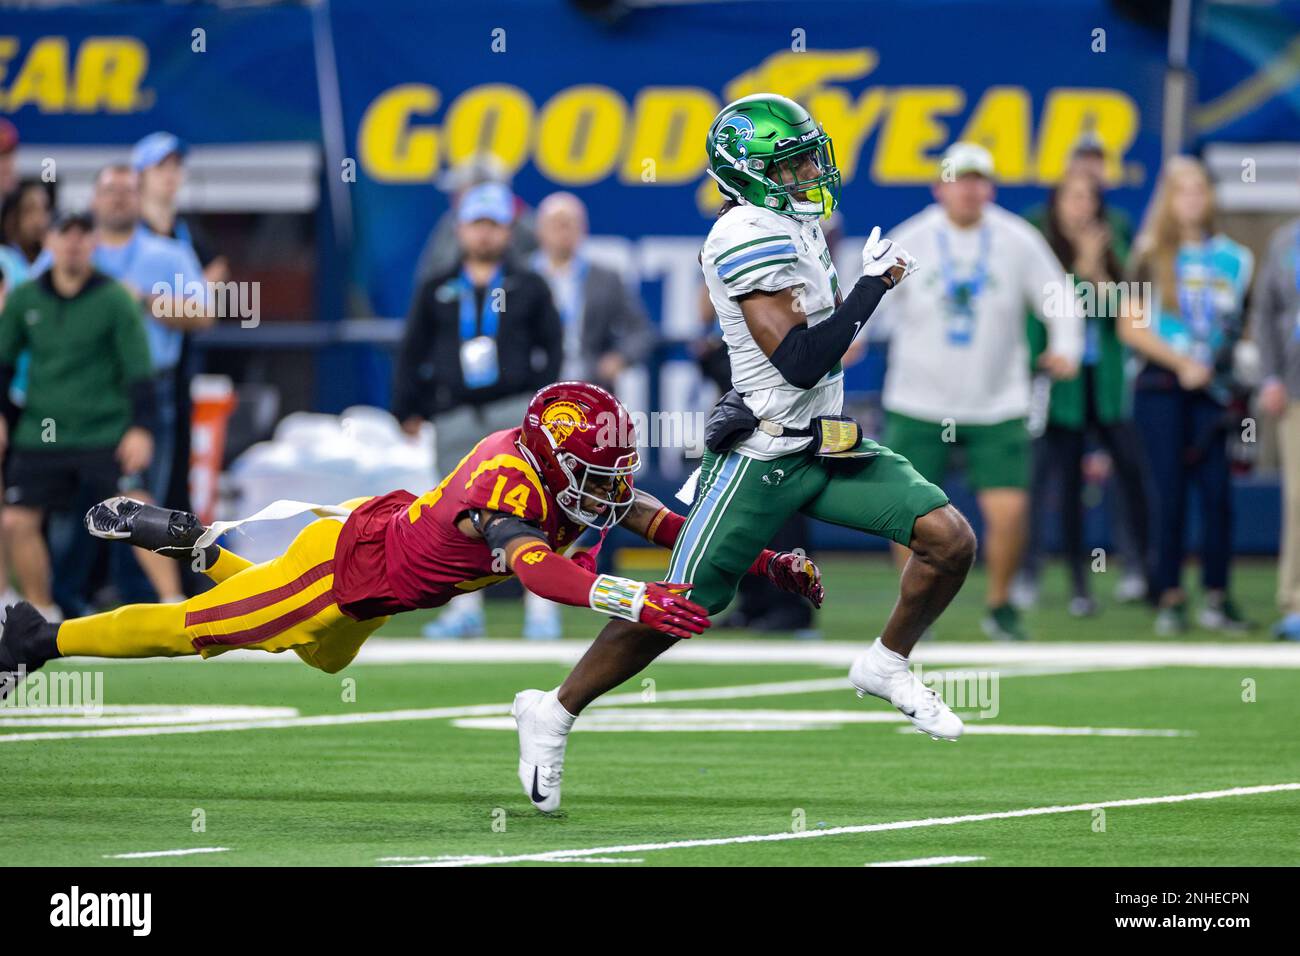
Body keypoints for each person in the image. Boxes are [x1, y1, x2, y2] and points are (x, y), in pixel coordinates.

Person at [512, 94, 978, 813]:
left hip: (826, 442)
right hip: (763, 455)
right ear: (748, 172)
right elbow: (797, 358)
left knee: (948, 539)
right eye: (790, 164)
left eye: (807, 157)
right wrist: (873, 286)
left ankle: (886, 663)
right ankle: (557, 708)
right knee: (682, 605)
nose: (807, 173)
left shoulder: (794, 221)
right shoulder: (742, 233)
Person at [0, 383, 823, 711]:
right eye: (594, 474)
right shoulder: (503, 488)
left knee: (323, 663)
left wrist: (765, 561)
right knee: (199, 632)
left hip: (379, 571)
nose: (609, 491)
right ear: (550, 459)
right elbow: (538, 569)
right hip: (343, 567)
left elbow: (668, 523)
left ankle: (201, 545)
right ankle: (37, 638)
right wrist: (632, 598)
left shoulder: (560, 470)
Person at [879, 142, 1082, 641]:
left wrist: (1067, 346)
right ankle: (912, 607)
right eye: (959, 179)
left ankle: (1001, 602)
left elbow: (1059, 297)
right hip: (918, 399)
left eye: (978, 180)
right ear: (939, 186)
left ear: (990, 187)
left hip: (997, 401)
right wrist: (849, 339)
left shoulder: (1017, 238)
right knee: (907, 517)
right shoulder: (911, 239)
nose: (969, 190)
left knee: (1009, 510)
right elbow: (871, 298)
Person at [393, 181, 563, 638]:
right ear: (461, 229)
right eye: (476, 225)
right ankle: (463, 607)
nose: (485, 235)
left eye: (493, 225)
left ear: (508, 231)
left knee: (530, 503)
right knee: (453, 511)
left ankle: (541, 604)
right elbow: (413, 349)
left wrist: (545, 405)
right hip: (454, 411)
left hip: (512, 408)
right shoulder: (437, 286)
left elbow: (554, 347)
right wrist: (408, 407)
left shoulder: (529, 284)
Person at [0, 212, 156, 622]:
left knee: (138, 511)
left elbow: (139, 369)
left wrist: (141, 428)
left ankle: (178, 603)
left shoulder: (114, 299)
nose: (73, 243)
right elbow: (2, 363)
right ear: (49, 241)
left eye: (82, 235)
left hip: (104, 431)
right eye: (63, 234)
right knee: (16, 520)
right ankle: (43, 615)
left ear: (93, 244)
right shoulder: (25, 299)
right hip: (40, 432)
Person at [1120, 156, 1253, 635]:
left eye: (1201, 189)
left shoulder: (1236, 258)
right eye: (1183, 190)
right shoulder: (1149, 252)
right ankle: (1170, 595)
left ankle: (1218, 595)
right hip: (1162, 387)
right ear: (1169, 199)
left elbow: (1239, 325)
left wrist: (1223, 366)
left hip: (1212, 392)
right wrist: (1181, 363)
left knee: (1218, 494)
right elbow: (1130, 326)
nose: (1193, 200)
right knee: (1169, 494)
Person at [1021, 169, 1150, 615]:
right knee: (1062, 482)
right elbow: (1054, 307)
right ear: (1056, 206)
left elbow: (1125, 311)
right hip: (1063, 384)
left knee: (1132, 472)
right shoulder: (1041, 251)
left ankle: (1142, 572)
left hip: (1107, 384)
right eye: (1073, 197)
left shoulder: (1114, 246)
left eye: (1089, 198)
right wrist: (1079, 268)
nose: (1082, 207)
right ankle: (1072, 582)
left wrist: (1096, 269)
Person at [531, 191, 653, 389]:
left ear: (583, 229)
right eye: (556, 224)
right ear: (540, 231)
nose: (563, 232)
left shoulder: (606, 279)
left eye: (570, 224)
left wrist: (620, 358)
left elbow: (641, 330)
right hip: (535, 384)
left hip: (590, 385)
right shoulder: (522, 278)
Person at [1253, 207, 1300, 641]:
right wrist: (1270, 376)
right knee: (1297, 497)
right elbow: (1265, 314)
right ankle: (1294, 601)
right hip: (1295, 386)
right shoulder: (1285, 241)